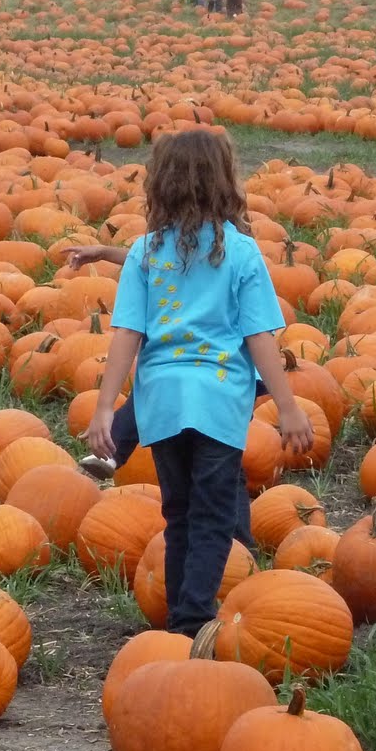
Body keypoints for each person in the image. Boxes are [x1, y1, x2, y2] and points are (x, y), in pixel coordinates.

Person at [87, 130, 312, 637]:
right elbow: (259, 338)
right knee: (211, 518)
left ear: (160, 185)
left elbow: (127, 333)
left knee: (180, 516)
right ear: (223, 182)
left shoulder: (146, 253)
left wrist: (106, 408)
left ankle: (177, 625)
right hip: (218, 403)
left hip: (162, 403)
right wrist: (289, 406)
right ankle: (190, 624)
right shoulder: (242, 252)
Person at [69, 241, 258, 549]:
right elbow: (149, 259)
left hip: (220, 370)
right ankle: (237, 542)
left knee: (220, 462)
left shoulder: (229, 248)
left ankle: (238, 542)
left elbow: (151, 260)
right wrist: (104, 252)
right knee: (219, 461)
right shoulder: (206, 244)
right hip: (208, 371)